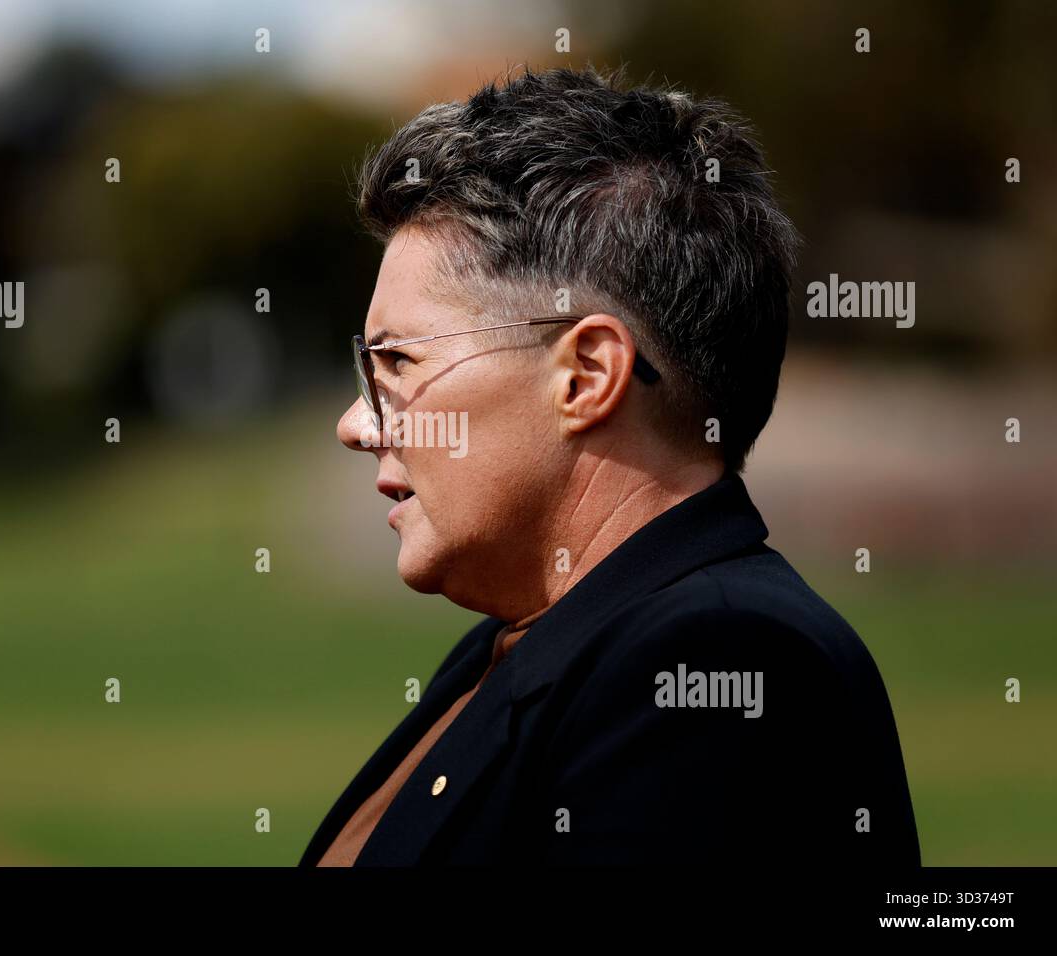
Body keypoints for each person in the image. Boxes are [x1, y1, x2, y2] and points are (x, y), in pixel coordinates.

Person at [300, 65, 920, 867]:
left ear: (586, 376)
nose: (358, 425)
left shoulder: (712, 665)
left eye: (397, 363)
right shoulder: (533, 639)